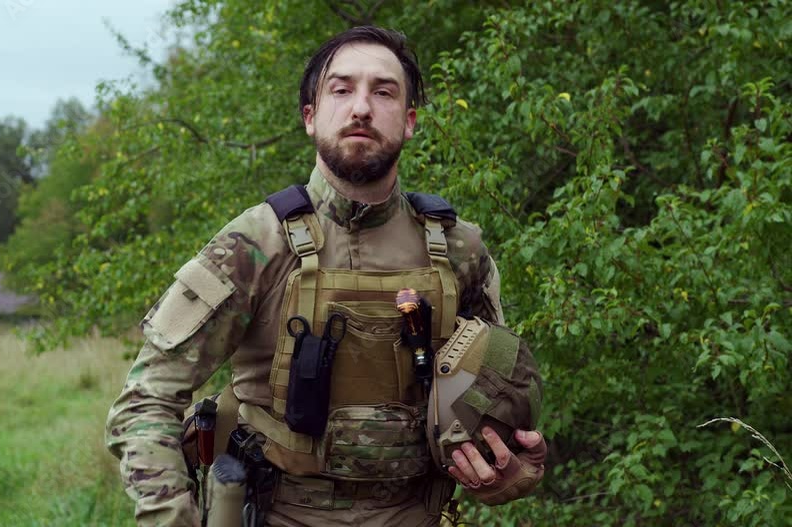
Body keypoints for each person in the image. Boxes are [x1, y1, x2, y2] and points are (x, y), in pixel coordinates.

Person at [105, 26, 546, 526]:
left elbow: (496, 406)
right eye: (341, 89)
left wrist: (512, 469)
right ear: (310, 117)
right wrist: (170, 516)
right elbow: (146, 399)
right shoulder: (255, 244)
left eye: (384, 92)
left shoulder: (459, 251)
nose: (361, 107)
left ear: (410, 122)